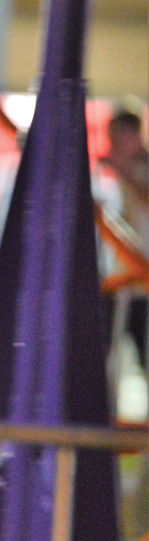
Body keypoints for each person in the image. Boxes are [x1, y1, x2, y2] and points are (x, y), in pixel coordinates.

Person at [100, 108, 149, 369]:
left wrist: (124, 172)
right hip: (126, 280)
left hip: (143, 279)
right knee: (104, 347)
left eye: (116, 139)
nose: (112, 146)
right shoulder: (128, 172)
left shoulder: (140, 168)